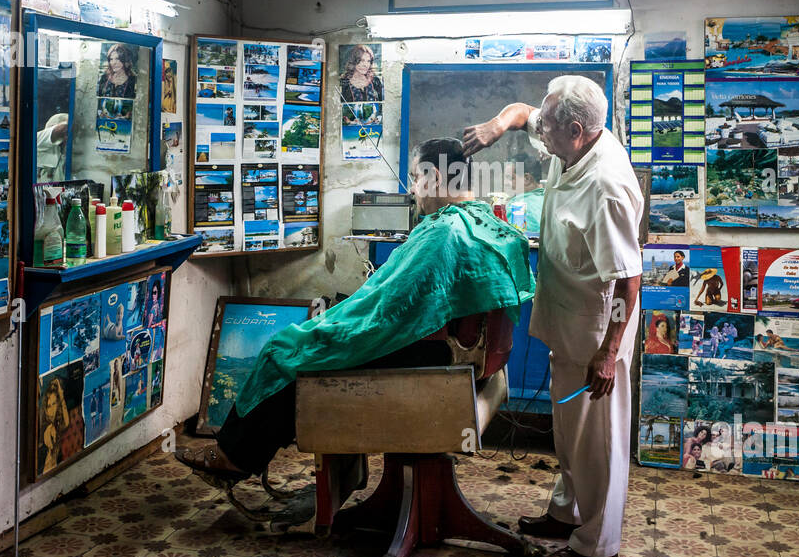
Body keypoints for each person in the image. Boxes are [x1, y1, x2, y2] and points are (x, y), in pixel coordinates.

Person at [175, 138, 534, 513]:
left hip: (435, 354)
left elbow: (392, 313)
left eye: (415, 178)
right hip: (468, 356)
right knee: (313, 341)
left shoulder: (443, 234)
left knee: (288, 350)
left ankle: (236, 455)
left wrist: (339, 325)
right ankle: (290, 463)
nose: (412, 190)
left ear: (434, 176)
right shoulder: (487, 220)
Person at [463, 75, 643, 557]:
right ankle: (567, 514)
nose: (540, 134)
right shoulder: (572, 148)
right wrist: (499, 125)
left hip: (594, 334)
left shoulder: (605, 186)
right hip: (567, 323)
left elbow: (629, 283)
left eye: (549, 130)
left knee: (596, 443)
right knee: (569, 434)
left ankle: (596, 544)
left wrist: (608, 354)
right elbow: (526, 112)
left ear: (577, 130)